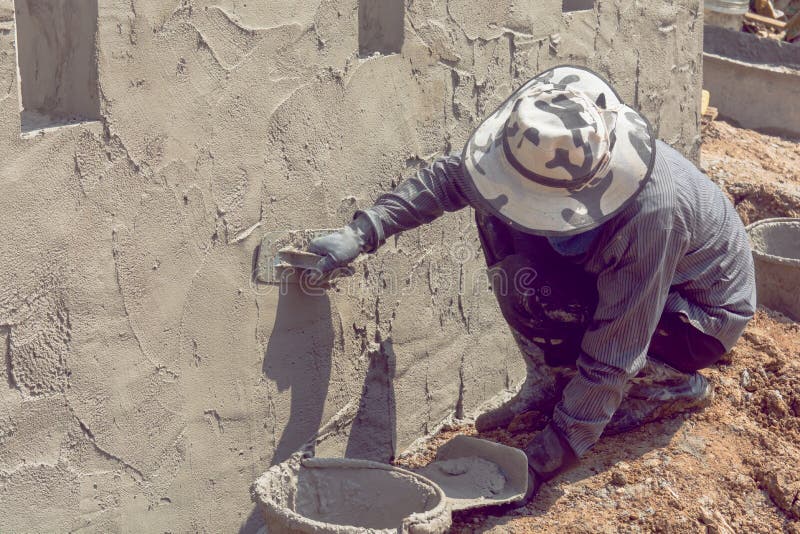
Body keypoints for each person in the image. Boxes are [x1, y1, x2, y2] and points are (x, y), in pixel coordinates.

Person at [307, 66, 756, 502]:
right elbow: (450, 179)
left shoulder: (650, 218)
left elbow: (614, 353)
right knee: (498, 220)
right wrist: (363, 232)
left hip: (695, 314)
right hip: (641, 280)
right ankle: (547, 379)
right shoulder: (532, 155)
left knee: (584, 329)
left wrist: (546, 457)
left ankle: (669, 386)